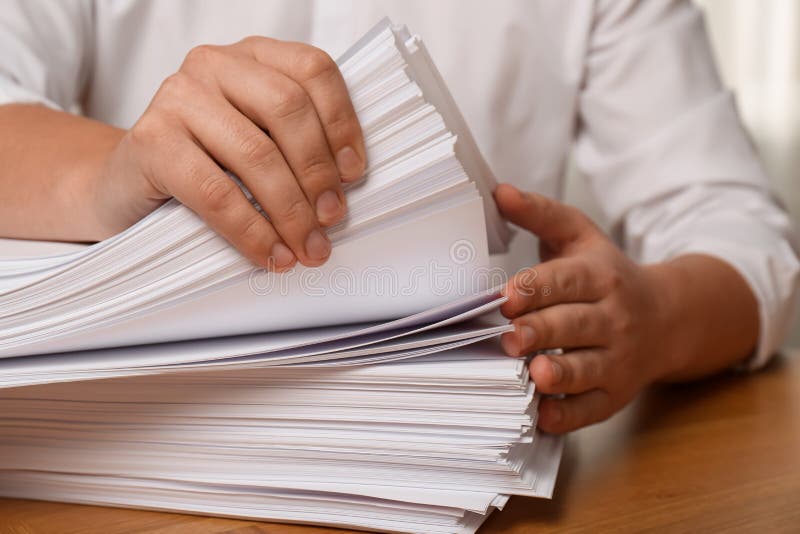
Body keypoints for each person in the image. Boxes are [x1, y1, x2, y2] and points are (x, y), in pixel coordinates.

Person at [0, 0, 797, 434]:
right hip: (138, 437)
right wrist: (112, 173)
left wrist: (655, 315)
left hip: (465, 453)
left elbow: (740, 234)